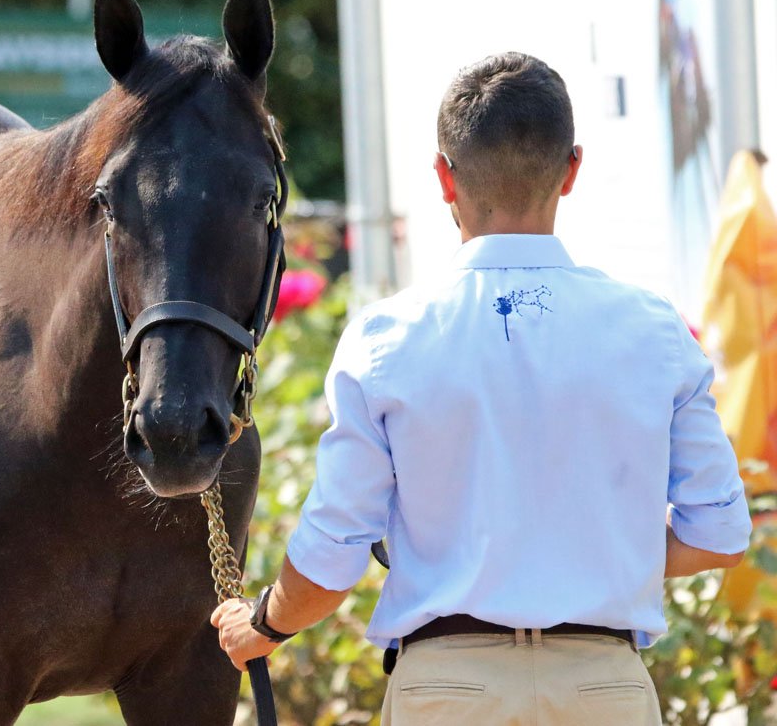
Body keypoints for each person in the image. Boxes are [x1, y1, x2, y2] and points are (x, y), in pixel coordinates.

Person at [212, 51, 752, 724]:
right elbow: (721, 533)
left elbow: (334, 553)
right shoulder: (656, 330)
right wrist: (597, 551)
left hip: (447, 690)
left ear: (444, 177)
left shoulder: (387, 337)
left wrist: (264, 623)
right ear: (572, 170)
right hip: (604, 690)